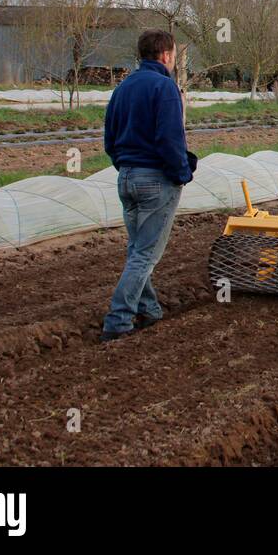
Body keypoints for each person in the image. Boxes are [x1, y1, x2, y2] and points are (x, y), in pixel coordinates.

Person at [100, 29, 196, 342]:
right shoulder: (165, 87)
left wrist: (124, 165)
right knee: (145, 255)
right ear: (166, 55)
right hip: (157, 179)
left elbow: (110, 138)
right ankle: (118, 320)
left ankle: (150, 309)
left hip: (126, 176)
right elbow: (170, 139)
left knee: (138, 248)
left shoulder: (123, 87)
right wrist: (181, 172)